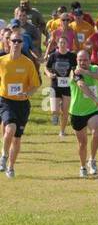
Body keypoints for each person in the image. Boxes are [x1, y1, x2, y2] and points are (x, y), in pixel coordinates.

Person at [0, 30, 40, 178]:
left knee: (16, 139)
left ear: (23, 44)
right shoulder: (2, 61)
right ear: (8, 42)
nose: (16, 43)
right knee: (10, 128)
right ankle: (3, 157)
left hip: (22, 104)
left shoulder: (27, 63)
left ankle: (11, 167)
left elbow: (35, 85)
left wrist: (27, 94)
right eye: (14, 40)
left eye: (19, 41)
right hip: (6, 101)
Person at [69, 49, 98, 177]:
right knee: (82, 143)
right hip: (77, 111)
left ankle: (92, 160)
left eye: (85, 60)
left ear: (90, 60)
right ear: (76, 61)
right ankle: (82, 166)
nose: (82, 62)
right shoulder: (74, 72)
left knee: (96, 132)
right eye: (80, 60)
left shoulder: (95, 68)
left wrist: (86, 72)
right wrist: (96, 99)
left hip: (93, 110)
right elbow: (82, 86)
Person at [45, 34, 77, 137]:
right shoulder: (53, 55)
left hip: (67, 85)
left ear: (67, 44)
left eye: (64, 42)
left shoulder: (71, 56)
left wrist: (73, 76)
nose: (62, 44)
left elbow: (74, 69)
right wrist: (49, 74)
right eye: (60, 42)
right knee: (54, 110)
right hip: (55, 84)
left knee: (65, 111)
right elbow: (46, 68)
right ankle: (56, 112)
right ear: (57, 44)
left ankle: (62, 131)